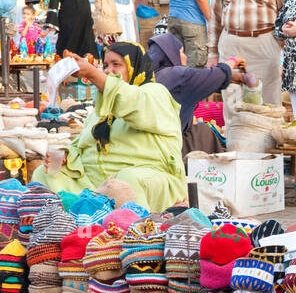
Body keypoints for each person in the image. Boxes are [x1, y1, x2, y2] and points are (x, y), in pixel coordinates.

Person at [33, 44, 186, 211]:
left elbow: (130, 100)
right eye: (105, 66)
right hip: (97, 185)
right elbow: (82, 145)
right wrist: (66, 155)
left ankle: (133, 229)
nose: (108, 70)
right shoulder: (101, 110)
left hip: (147, 179)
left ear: (133, 66)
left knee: (124, 183)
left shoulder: (155, 93)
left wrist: (93, 73)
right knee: (45, 173)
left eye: (116, 64)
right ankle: (62, 226)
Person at [147, 31, 243, 132]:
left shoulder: (150, 77)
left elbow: (200, 81)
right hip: (171, 141)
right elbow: (214, 76)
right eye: (181, 52)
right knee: (204, 133)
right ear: (172, 54)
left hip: (155, 138)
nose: (185, 57)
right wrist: (234, 61)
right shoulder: (178, 75)